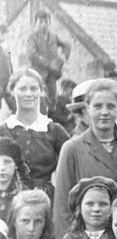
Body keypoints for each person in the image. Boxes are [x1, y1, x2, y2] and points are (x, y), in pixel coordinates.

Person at [52, 79, 117, 238]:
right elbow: (62, 207)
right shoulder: (72, 148)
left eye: (111, 106)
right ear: (87, 108)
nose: (104, 112)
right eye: (97, 106)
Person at [0, 69, 70, 197]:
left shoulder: (54, 131)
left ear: (42, 91)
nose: (28, 94)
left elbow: (71, 163)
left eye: (33, 89)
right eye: (22, 89)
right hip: (8, 199)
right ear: (11, 91)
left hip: (44, 198)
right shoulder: (3, 131)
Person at [26, 10, 71, 109]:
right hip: (37, 74)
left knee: (52, 98)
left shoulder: (53, 37)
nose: (43, 25)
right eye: (40, 22)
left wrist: (62, 60)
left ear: (49, 22)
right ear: (36, 23)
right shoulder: (32, 37)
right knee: (38, 98)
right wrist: (49, 64)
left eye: (46, 22)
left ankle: (50, 120)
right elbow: (32, 54)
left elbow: (67, 45)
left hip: (51, 74)